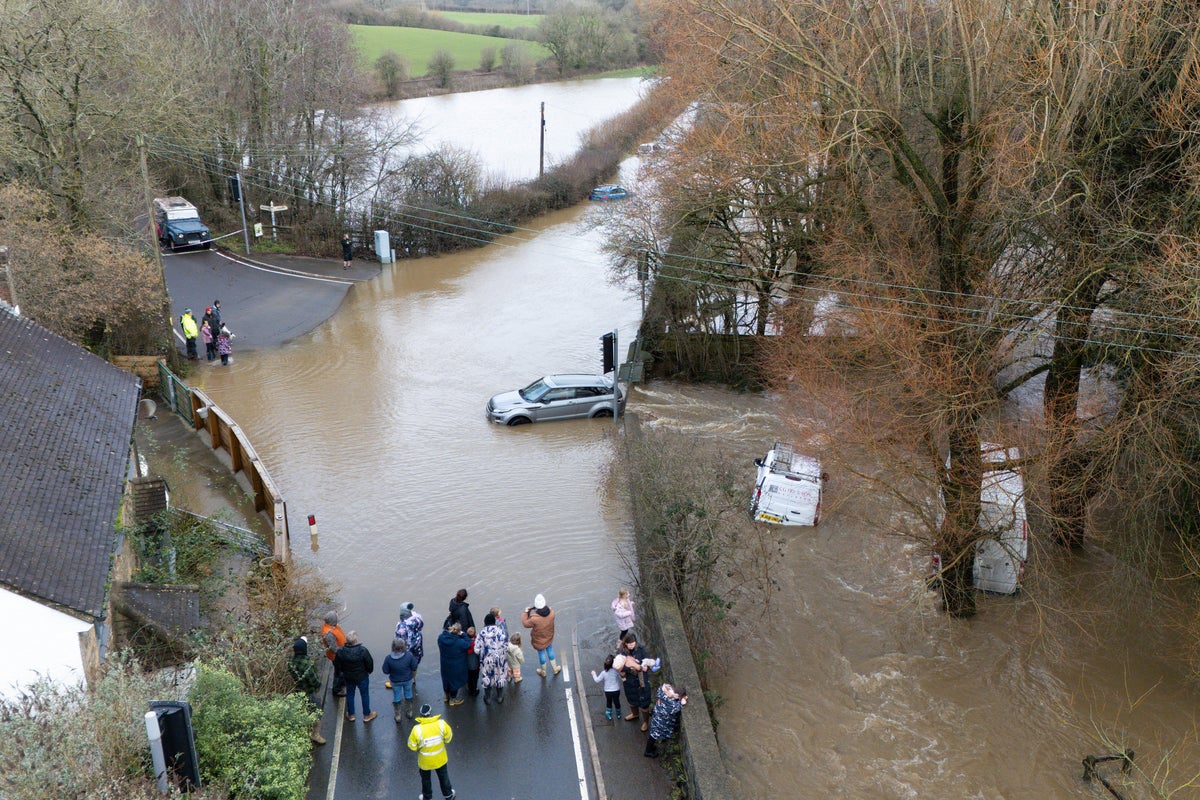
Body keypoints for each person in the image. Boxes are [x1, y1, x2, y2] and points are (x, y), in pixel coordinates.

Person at [407, 703, 456, 800]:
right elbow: (449, 737)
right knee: (443, 777)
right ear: (431, 713)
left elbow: (411, 746)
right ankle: (448, 795)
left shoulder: (417, 730)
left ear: (420, 714)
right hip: (440, 759)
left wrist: (418, 749)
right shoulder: (441, 724)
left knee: (425, 780)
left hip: (425, 762)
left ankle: (427, 797)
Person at [287, 636, 326, 744]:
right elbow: (314, 681)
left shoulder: (290, 660)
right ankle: (315, 734)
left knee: (303, 709)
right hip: (309, 690)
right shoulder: (307, 664)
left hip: (298, 689)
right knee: (316, 711)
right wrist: (318, 685)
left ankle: (304, 731)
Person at [334, 631, 376, 722]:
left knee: (350, 694)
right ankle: (366, 715)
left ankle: (351, 714)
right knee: (364, 695)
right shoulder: (363, 650)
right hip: (362, 677)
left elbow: (337, 665)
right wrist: (369, 671)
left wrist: (342, 672)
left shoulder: (341, 651)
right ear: (356, 640)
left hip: (349, 677)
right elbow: (369, 663)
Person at [619, 632, 654, 730]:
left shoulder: (641, 651)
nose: (631, 645)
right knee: (631, 700)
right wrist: (630, 669)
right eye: (629, 643)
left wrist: (644, 666)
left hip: (642, 682)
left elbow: (649, 663)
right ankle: (635, 714)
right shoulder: (621, 652)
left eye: (633, 643)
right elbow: (619, 667)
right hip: (629, 682)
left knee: (644, 704)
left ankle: (646, 722)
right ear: (625, 643)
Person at [521, 593, 560, 677]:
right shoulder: (552, 613)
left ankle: (543, 672)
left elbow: (525, 623)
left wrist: (525, 612)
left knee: (541, 654)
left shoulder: (534, 619)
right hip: (549, 637)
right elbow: (549, 609)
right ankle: (555, 668)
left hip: (539, 641)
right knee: (550, 651)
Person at [644, 683, 687, 757]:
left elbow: (661, 688)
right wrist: (682, 702)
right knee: (654, 736)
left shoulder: (663, 694)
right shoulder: (672, 704)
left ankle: (650, 748)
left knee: (653, 734)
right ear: (677, 695)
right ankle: (648, 751)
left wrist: (667, 689)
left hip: (656, 717)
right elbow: (676, 708)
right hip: (660, 722)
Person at [474, 612, 509, 705]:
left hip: (486, 661)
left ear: (485, 622)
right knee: (500, 676)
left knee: (487, 677)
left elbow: (476, 650)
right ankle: (500, 697)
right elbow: (506, 646)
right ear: (495, 622)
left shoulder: (482, 633)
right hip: (500, 660)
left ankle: (488, 698)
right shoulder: (501, 631)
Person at [383, 637, 418, 721]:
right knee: (408, 694)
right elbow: (414, 667)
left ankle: (398, 715)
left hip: (395, 681)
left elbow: (385, 671)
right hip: (407, 679)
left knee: (397, 696)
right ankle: (409, 712)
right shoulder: (409, 656)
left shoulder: (388, 658)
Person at [437, 622, 470, 706]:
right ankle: (453, 699)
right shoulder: (460, 643)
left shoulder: (441, 638)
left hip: (445, 663)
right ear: (459, 631)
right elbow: (468, 644)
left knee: (446, 679)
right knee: (454, 682)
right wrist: (464, 635)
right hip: (456, 665)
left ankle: (446, 696)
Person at [395, 602, 425, 683]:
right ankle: (413, 679)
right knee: (415, 664)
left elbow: (397, 640)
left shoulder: (401, 627)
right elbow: (421, 624)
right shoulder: (418, 620)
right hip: (417, 647)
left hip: (406, 650)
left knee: (405, 664)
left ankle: (405, 679)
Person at [320, 611, 347, 697]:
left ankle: (342, 683)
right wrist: (343, 650)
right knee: (339, 672)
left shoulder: (330, 626)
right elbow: (333, 648)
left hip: (340, 653)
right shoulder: (329, 634)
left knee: (342, 671)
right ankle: (336, 690)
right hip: (337, 656)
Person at [592, 653, 623, 722]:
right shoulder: (616, 671)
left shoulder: (604, 673)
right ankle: (618, 713)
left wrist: (594, 674)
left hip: (608, 691)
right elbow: (621, 678)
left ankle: (609, 714)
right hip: (616, 690)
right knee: (617, 701)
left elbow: (597, 680)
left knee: (609, 702)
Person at [465, 626, 480, 697]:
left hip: (467, 665)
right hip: (475, 665)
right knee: (475, 678)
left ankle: (470, 689)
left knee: (469, 678)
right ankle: (474, 690)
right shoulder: (476, 643)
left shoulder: (465, 643)